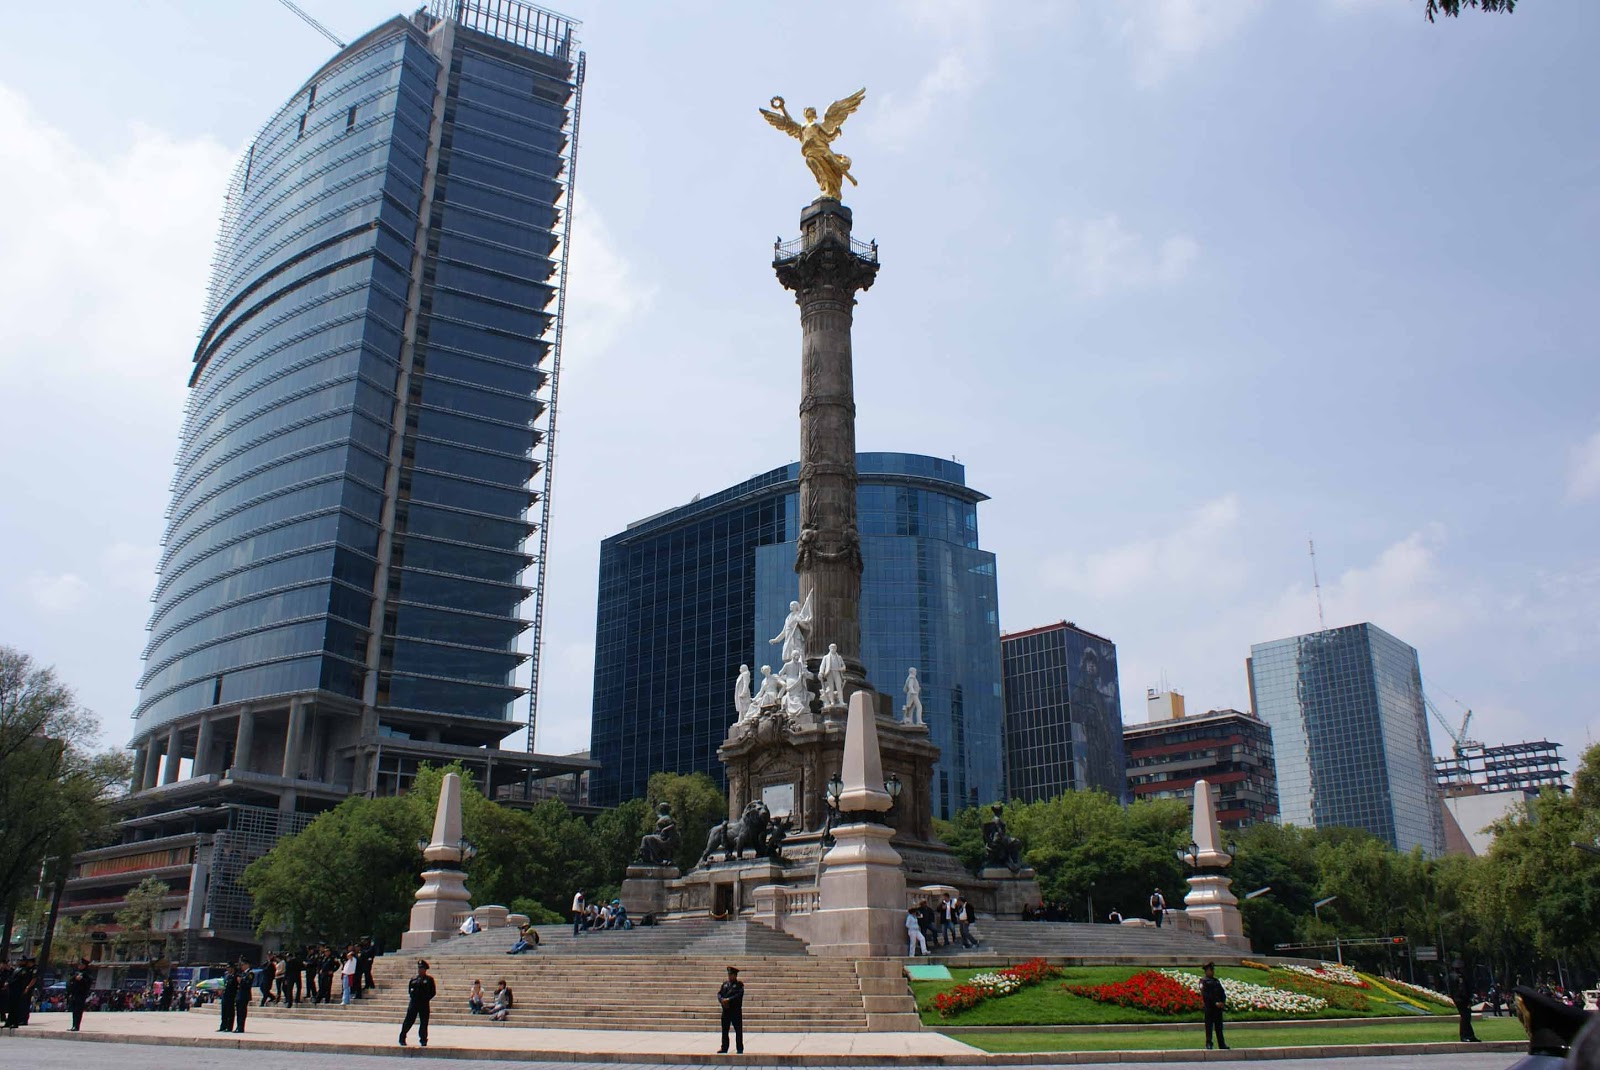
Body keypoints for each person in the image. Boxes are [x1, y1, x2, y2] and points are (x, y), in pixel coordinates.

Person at [398, 959, 436, 1048]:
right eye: (419, 968)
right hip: (414, 1003)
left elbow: (433, 992)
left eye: (422, 968)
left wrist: (426, 998)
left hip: (424, 1003)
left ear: (425, 970)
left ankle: (423, 1040)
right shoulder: (413, 979)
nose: (420, 970)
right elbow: (410, 990)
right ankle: (402, 1037)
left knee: (424, 1022)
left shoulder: (429, 980)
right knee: (408, 1021)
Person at [1449, 960, 1480, 1043]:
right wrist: (1468, 998)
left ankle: (1470, 1035)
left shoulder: (1452, 976)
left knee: (1466, 1017)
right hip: (1462, 999)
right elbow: (1462, 989)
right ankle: (1464, 1035)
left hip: (1458, 999)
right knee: (1465, 1017)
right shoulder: (1459, 977)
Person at [1200, 962, 1227, 1050]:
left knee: (1219, 1027)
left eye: (1212, 969)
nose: (1212, 971)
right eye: (1210, 970)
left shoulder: (1216, 981)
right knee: (1209, 1026)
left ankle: (1221, 1044)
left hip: (1218, 1008)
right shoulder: (1203, 981)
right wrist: (1214, 1003)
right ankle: (1209, 1043)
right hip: (1209, 1008)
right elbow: (1205, 995)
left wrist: (1222, 1002)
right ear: (1206, 971)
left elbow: (1222, 992)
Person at [717, 965, 745, 1055]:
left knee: (738, 1031)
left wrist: (728, 1000)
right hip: (726, 1011)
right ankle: (724, 1048)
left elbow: (738, 995)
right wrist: (721, 1000)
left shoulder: (739, 985)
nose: (729, 976)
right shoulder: (725, 984)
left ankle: (739, 1048)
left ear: (735, 975)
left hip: (735, 1011)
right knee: (725, 1030)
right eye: (729, 974)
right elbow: (719, 994)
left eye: (731, 975)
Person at [5, 954, 37, 1028]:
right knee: (11, 1006)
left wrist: (27, 988)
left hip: (18, 990)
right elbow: (12, 977)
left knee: (18, 1006)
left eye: (22, 960)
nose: (20, 962)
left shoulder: (25, 970)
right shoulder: (17, 968)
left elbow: (21, 980)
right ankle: (9, 1021)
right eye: (19, 960)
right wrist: (8, 982)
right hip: (13, 990)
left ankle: (16, 1021)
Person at [66, 957, 94, 1032]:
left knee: (78, 1010)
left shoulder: (87, 973)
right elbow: (70, 979)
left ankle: (76, 1026)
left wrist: (81, 979)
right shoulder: (76, 972)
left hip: (81, 994)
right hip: (74, 993)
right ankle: (73, 1025)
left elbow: (88, 983)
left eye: (81, 964)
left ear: (84, 965)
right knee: (74, 1010)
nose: (79, 966)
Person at [231, 960, 251, 1033]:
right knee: (238, 1012)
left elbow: (248, 984)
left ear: (247, 965)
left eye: (242, 965)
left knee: (242, 1012)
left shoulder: (250, 973)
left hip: (244, 995)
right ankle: (238, 1026)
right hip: (239, 995)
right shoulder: (242, 973)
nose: (241, 966)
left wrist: (241, 981)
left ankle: (241, 1027)